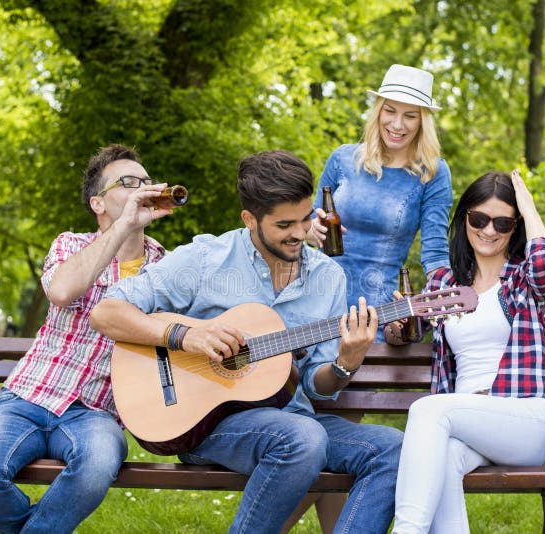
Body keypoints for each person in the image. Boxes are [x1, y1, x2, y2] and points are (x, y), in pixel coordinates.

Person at [90, 150, 403, 534]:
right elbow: (106, 312)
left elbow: (315, 387)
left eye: (306, 218)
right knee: (303, 439)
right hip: (206, 424)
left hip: (295, 418)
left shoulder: (329, 277)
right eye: (284, 224)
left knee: (392, 448)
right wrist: (188, 336)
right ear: (249, 219)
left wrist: (345, 364)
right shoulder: (206, 258)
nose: (300, 233)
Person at [0, 144, 175, 534]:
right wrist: (123, 225)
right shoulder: (70, 245)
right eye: (128, 182)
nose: (143, 188)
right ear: (98, 203)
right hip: (26, 398)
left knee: (96, 466)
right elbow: (61, 291)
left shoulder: (167, 266)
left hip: (96, 414)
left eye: (146, 181)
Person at [385, 170, 545, 533]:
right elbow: (405, 332)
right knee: (443, 458)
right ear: (464, 218)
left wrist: (528, 206)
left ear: (515, 227)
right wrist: (398, 327)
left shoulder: (523, 278)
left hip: (527, 419)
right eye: (480, 219)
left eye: (503, 222)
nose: (489, 230)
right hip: (469, 423)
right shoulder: (444, 283)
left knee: (427, 409)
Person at [308, 64, 452, 341]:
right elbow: (306, 227)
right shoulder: (342, 158)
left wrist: (451, 296)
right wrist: (312, 231)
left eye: (410, 115)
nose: (397, 125)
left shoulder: (433, 173)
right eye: (390, 111)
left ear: (422, 121)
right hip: (317, 302)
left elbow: (435, 255)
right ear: (378, 112)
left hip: (375, 314)